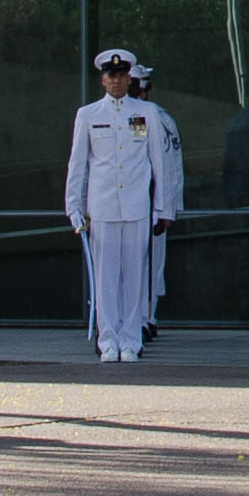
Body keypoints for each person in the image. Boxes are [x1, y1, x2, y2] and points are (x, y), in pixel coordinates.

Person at [66, 48, 181, 364]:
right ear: (103, 80)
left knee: (134, 276)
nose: (116, 81)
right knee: (105, 278)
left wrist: (163, 208)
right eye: (111, 76)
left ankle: (131, 339)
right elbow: (78, 165)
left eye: (121, 76)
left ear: (129, 78)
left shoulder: (146, 113)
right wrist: (73, 206)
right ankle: (108, 340)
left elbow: (159, 163)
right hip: (102, 206)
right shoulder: (88, 115)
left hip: (135, 206)